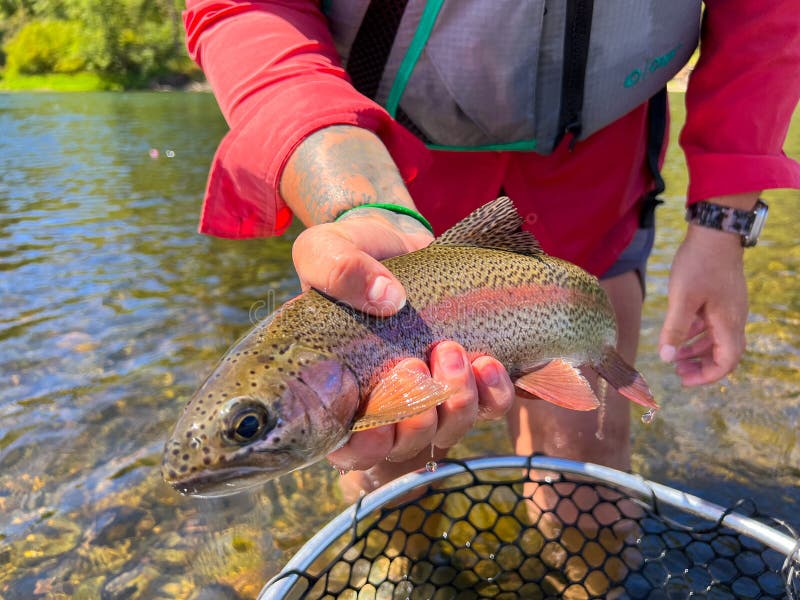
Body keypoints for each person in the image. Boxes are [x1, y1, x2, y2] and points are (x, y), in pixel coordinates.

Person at [182, 1, 800, 500]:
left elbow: (767, 14)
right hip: (392, 164)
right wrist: (353, 199)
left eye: (249, 428)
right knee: (386, 476)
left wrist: (722, 223)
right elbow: (247, 8)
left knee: (582, 486)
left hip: (594, 173)